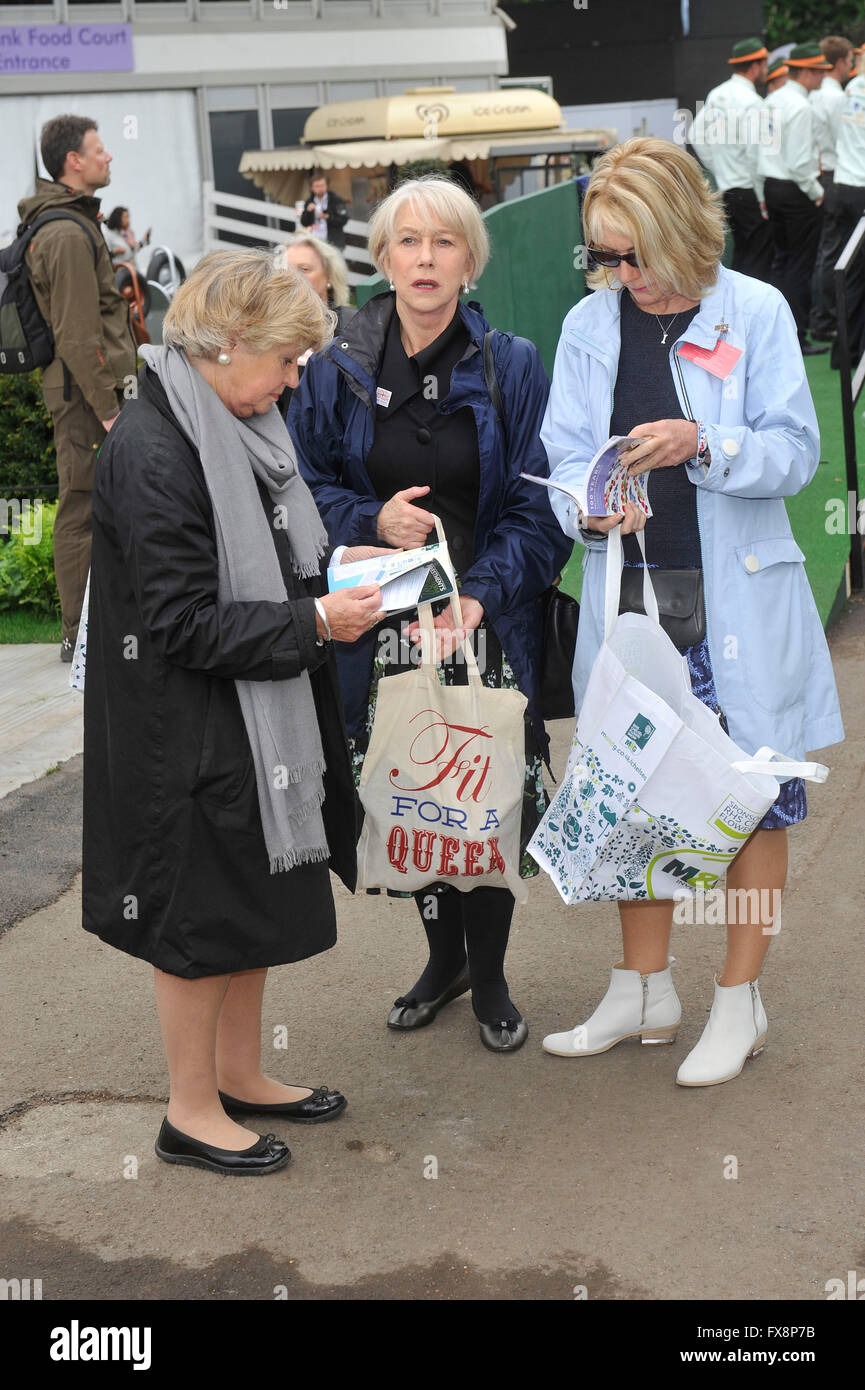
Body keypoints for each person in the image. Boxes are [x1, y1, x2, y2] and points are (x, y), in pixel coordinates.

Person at [539, 137, 844, 1088]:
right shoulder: (591, 325)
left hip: (733, 601)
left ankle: (737, 999)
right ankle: (642, 989)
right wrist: (583, 507)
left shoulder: (753, 311)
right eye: (603, 256)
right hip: (631, 599)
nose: (619, 276)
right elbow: (560, 458)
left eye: (633, 255)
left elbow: (795, 453)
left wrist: (703, 442)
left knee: (751, 802)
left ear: (682, 236)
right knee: (632, 791)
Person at [82, 249, 392, 1176]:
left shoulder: (224, 420)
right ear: (223, 346)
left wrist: (340, 581)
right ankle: (188, 1111)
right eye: (286, 360)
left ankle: (239, 1074)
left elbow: (272, 561)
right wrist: (316, 622)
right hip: (184, 727)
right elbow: (179, 622)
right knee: (197, 917)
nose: (295, 379)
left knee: (251, 898)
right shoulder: (152, 449)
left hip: (249, 712)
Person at [290, 176, 572, 1053]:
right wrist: (371, 518)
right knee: (414, 799)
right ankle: (440, 958)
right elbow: (298, 492)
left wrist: (481, 595)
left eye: (443, 242)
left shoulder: (510, 362)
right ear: (381, 258)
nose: (423, 258)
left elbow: (541, 508)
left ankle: (486, 975)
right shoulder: (336, 361)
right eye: (406, 241)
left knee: (483, 799)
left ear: (467, 260)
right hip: (378, 627)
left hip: (483, 625)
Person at [17, 115, 137, 661]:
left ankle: (103, 626)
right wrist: (110, 409)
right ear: (73, 161)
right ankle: (78, 634)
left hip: (93, 392)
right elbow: (76, 333)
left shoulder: (73, 222)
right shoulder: (64, 233)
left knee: (103, 506)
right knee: (83, 507)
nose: (108, 156)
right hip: (86, 397)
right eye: (98, 149)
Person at [759, 42, 832, 355]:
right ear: (805, 71)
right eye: (819, 71)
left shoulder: (772, 100)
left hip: (774, 188)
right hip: (796, 190)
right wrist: (818, 194)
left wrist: (761, 190)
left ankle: (780, 334)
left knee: (783, 263)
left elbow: (761, 151)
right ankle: (796, 337)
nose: (822, 77)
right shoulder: (800, 107)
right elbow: (801, 162)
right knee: (798, 267)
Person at [690, 37, 774, 281]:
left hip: (728, 189)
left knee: (744, 257)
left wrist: (719, 168)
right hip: (749, 190)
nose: (766, 70)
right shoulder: (752, 102)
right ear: (756, 65)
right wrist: (761, 198)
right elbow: (754, 153)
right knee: (757, 260)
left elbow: (696, 133)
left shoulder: (717, 94)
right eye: (765, 64)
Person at [809, 36, 856, 340]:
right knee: (835, 251)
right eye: (851, 60)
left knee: (826, 251)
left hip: (823, 173)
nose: (852, 66)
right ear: (839, 63)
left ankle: (822, 317)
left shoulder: (813, 95)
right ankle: (827, 318)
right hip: (836, 174)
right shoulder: (837, 97)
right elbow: (850, 139)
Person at [277, 232, 355, 335]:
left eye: (304, 269)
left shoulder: (353, 324)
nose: (292, 276)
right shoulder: (267, 324)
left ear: (329, 275)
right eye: (286, 269)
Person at [300, 171, 348, 251]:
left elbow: (344, 219)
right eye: (317, 186)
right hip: (315, 242)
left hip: (334, 242)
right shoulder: (309, 202)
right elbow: (304, 223)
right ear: (311, 188)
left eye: (322, 185)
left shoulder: (336, 200)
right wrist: (308, 212)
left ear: (327, 186)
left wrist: (327, 217)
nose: (320, 188)